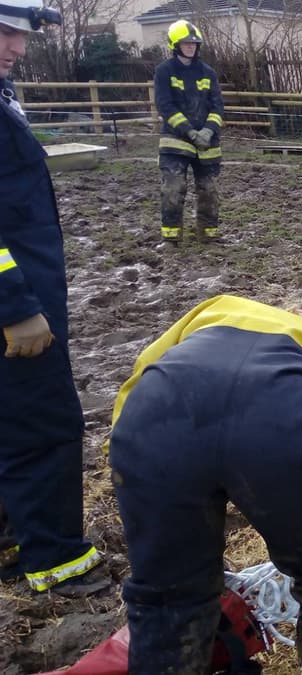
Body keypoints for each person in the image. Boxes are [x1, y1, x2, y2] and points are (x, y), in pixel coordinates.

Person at [108, 295, 302, 674]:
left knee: (168, 596)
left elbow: (137, 381)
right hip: (282, 421)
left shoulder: (215, 309)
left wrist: (132, 477)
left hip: (155, 420)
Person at [0, 0, 107, 597]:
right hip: (15, 301)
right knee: (43, 422)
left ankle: (12, 536)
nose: (17, 48)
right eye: (4, 34)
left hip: (24, 288)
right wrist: (14, 305)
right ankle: (56, 558)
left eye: (20, 36)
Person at [154, 19, 225, 246]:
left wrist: (208, 131)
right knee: (173, 188)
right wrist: (189, 132)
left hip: (207, 142)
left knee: (209, 190)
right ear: (175, 45)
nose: (191, 47)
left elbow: (217, 106)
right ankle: (171, 238)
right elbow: (165, 106)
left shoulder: (207, 72)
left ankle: (209, 235)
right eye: (186, 43)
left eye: (194, 43)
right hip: (175, 140)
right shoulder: (164, 71)